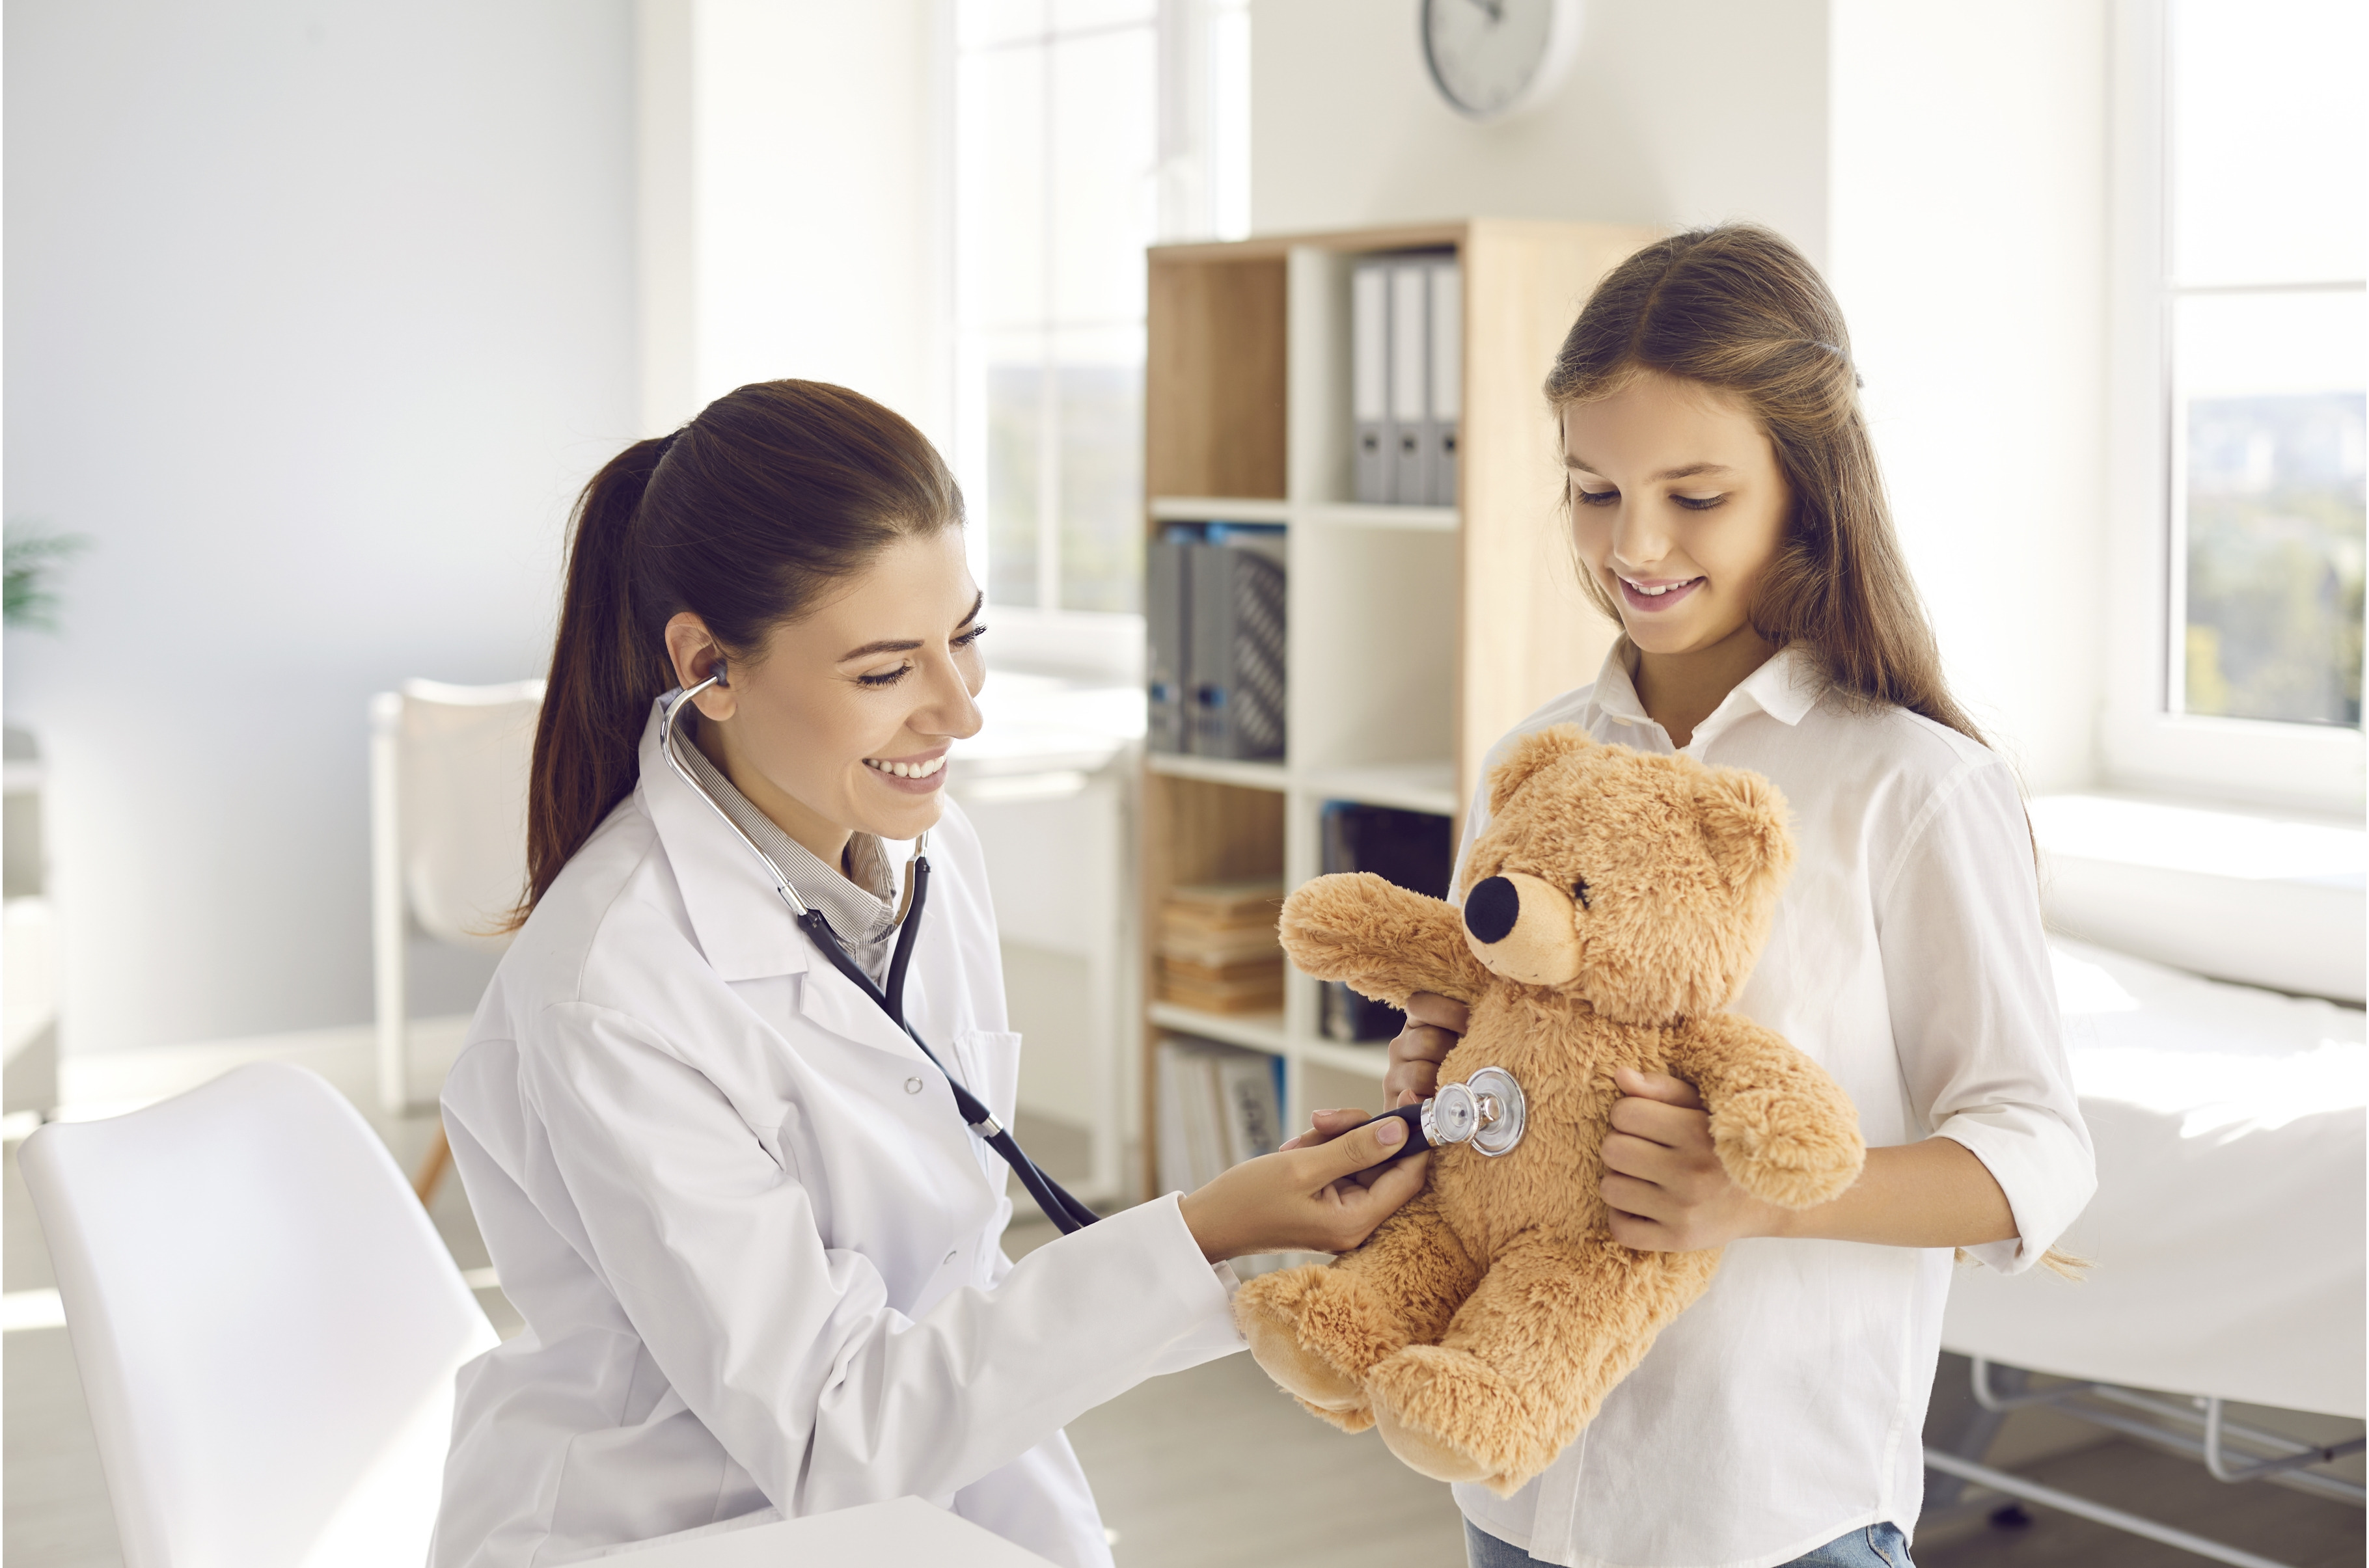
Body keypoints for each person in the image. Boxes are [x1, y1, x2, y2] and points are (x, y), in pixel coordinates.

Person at [427, 380, 1428, 1568]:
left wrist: (1268, 1238)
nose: (959, 711)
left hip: (912, 1493)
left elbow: (949, 1282)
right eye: (884, 670)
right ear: (709, 665)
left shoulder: (926, 856)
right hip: (668, 1529)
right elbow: (832, 1429)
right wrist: (1202, 1236)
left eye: (967, 637)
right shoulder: (611, 988)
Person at [1384, 226, 2095, 1568]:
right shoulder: (1532, 758)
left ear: (1804, 486)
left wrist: (1763, 1197)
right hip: (1514, 1487)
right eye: (1592, 490)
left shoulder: (1911, 786)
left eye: (1692, 494)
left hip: (1765, 1506)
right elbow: (1517, 1056)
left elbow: (2034, 1154)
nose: (1631, 543)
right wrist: (1441, 1082)